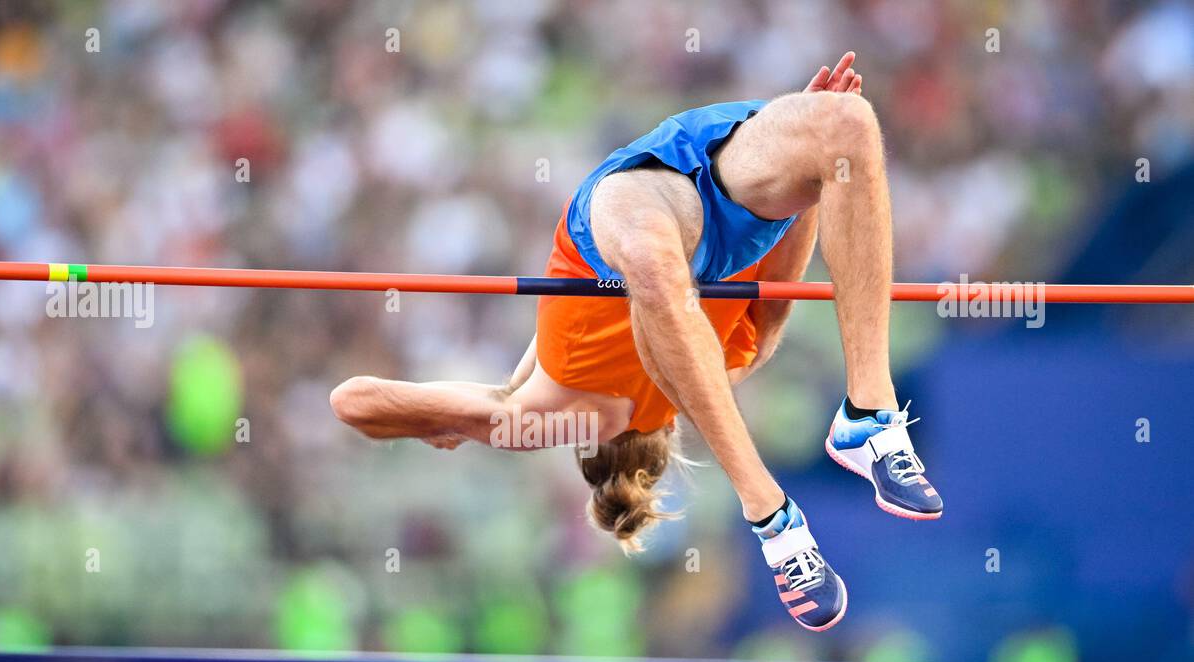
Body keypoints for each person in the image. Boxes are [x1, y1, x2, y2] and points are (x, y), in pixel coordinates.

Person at [331, 52, 942, 631]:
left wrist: (447, 418)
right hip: (705, 214)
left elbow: (350, 402)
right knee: (847, 126)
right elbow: (356, 402)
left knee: (666, 263)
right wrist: (808, 179)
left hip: (644, 208)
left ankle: (820, 468)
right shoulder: (709, 373)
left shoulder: (561, 411)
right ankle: (809, 472)